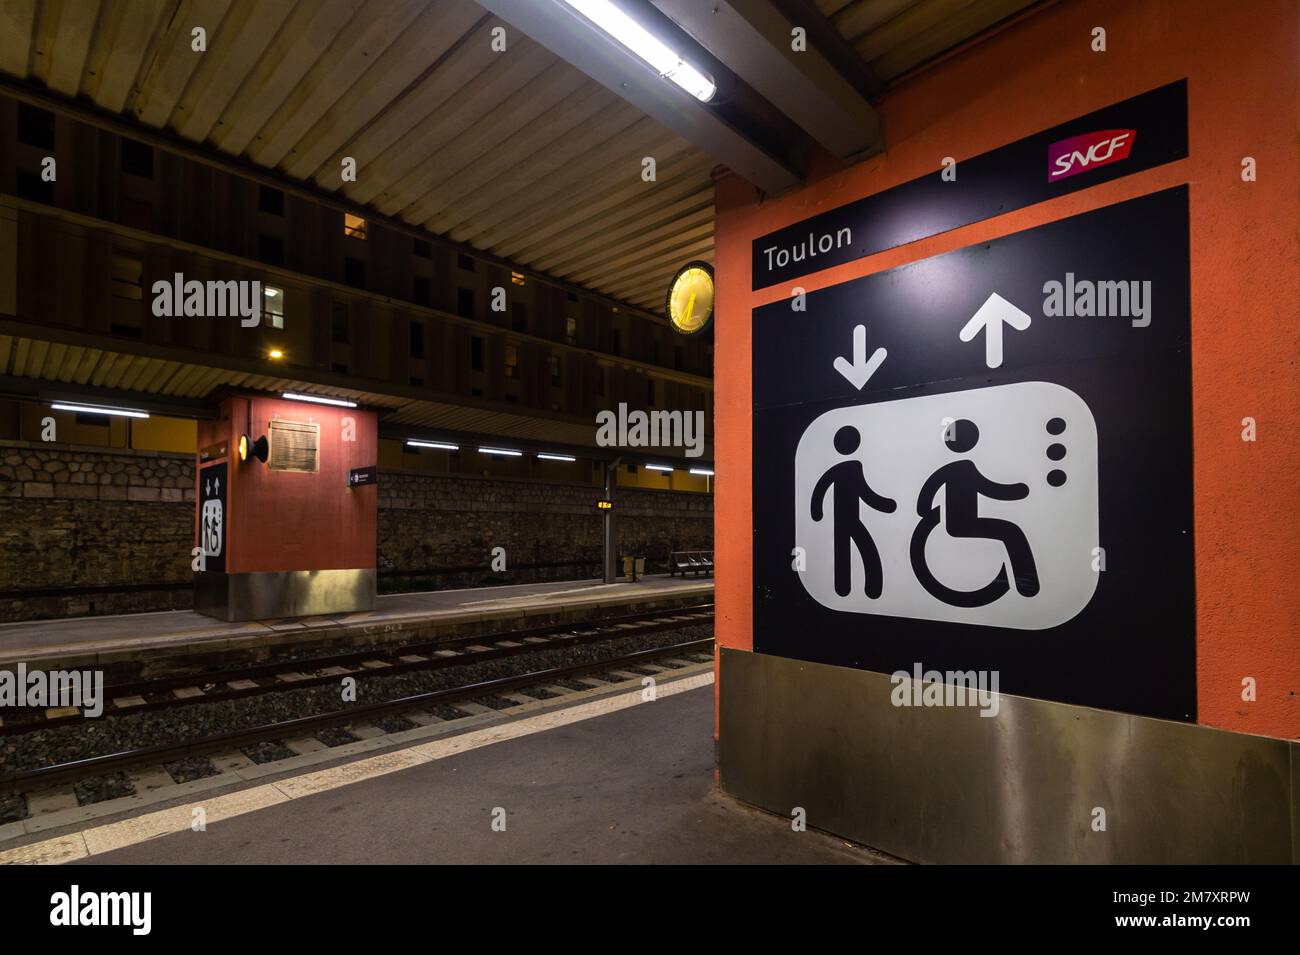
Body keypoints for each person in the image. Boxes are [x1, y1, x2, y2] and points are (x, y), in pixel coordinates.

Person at [911, 419, 1038, 606]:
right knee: (1011, 531)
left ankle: (1025, 582)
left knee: (1010, 531)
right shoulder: (964, 468)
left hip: (959, 523)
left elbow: (928, 492)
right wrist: (1017, 491)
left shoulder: (954, 468)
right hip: (963, 525)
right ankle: (1026, 583)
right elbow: (990, 488)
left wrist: (924, 509)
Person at [811, 425, 896, 598]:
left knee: (845, 550)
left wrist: (817, 511)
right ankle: (867, 587)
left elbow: (821, 489)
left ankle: (845, 587)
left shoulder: (846, 468)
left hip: (844, 519)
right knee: (865, 548)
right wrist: (885, 505)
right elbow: (865, 493)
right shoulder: (850, 468)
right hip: (849, 519)